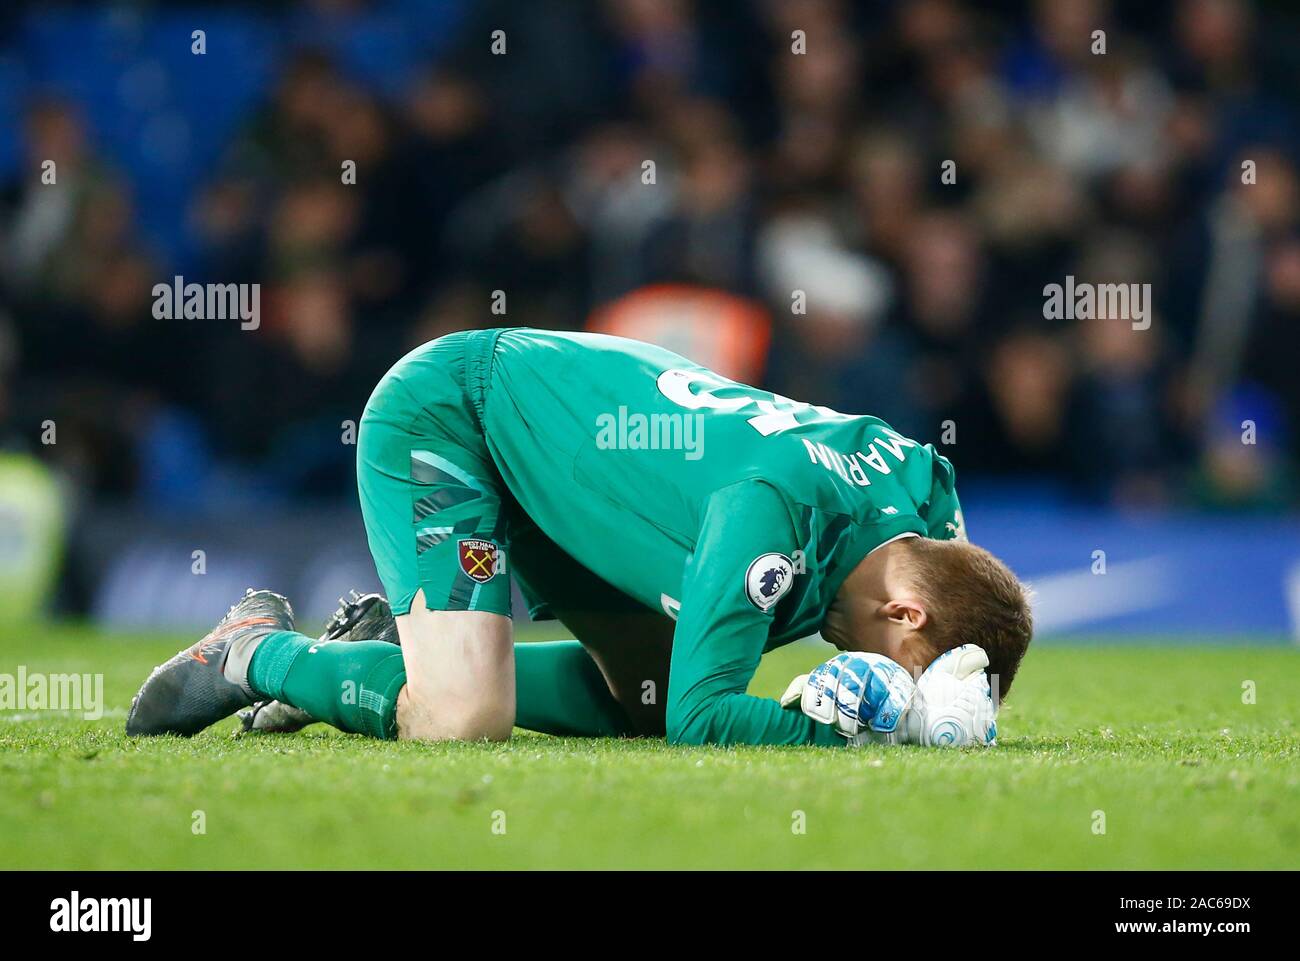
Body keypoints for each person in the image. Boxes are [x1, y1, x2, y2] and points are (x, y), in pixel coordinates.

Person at [127, 328, 1032, 746]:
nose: (891, 693)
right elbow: (703, 719)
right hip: (461, 418)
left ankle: (384, 658)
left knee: (636, 696)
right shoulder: (770, 523)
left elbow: (966, 582)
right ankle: (255, 652)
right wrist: (843, 737)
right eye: (907, 674)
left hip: (582, 453)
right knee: (460, 720)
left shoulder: (925, 490)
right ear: (905, 612)